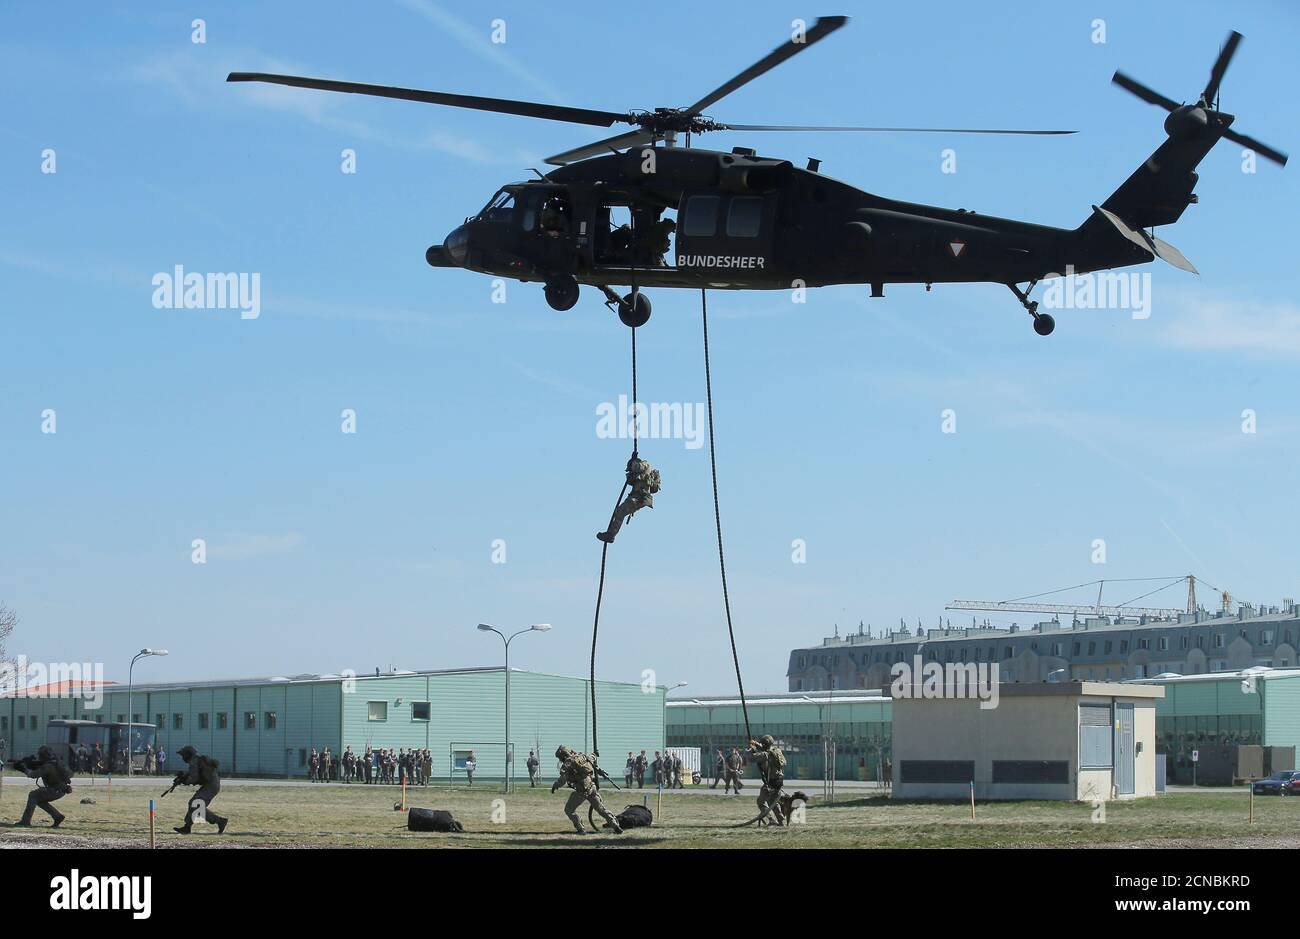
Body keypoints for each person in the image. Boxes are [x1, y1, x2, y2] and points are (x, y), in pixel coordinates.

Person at [550, 745, 622, 835]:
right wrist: (594, 754)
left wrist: (555, 785)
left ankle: (581, 829)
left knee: (569, 809)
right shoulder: (581, 756)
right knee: (601, 810)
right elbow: (592, 758)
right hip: (592, 787)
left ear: (563, 756)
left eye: (560, 758)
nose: (560, 760)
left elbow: (563, 779)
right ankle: (615, 825)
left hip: (582, 790)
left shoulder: (568, 763)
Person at [597, 454, 661, 544]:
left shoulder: (645, 465)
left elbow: (637, 467)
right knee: (619, 511)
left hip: (640, 497)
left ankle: (611, 535)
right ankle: (611, 534)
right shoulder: (637, 473)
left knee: (621, 511)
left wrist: (633, 461)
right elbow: (630, 479)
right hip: (636, 496)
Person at [171, 745, 228, 835]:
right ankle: (187, 827)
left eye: (183, 755)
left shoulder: (194, 761)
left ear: (187, 755)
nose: (182, 757)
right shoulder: (197, 760)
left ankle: (220, 821)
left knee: (196, 805)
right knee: (193, 804)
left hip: (211, 786)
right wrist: (183, 777)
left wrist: (184, 781)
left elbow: (194, 778)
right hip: (211, 784)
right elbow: (194, 774)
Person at [13, 746, 72, 828]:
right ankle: (57, 816)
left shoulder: (48, 766)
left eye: (40, 755)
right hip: (61, 790)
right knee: (39, 800)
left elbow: (33, 775)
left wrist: (24, 768)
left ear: (43, 755)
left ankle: (25, 821)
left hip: (55, 790)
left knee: (33, 795)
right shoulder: (56, 763)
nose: (39, 757)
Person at [749, 735, 787, 826]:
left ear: (765, 744)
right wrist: (755, 744)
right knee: (772, 801)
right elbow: (765, 748)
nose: (761, 745)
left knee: (761, 802)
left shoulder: (765, 755)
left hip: (771, 783)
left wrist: (752, 749)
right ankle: (780, 820)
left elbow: (752, 758)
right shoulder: (777, 750)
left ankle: (771, 819)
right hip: (779, 781)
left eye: (762, 743)